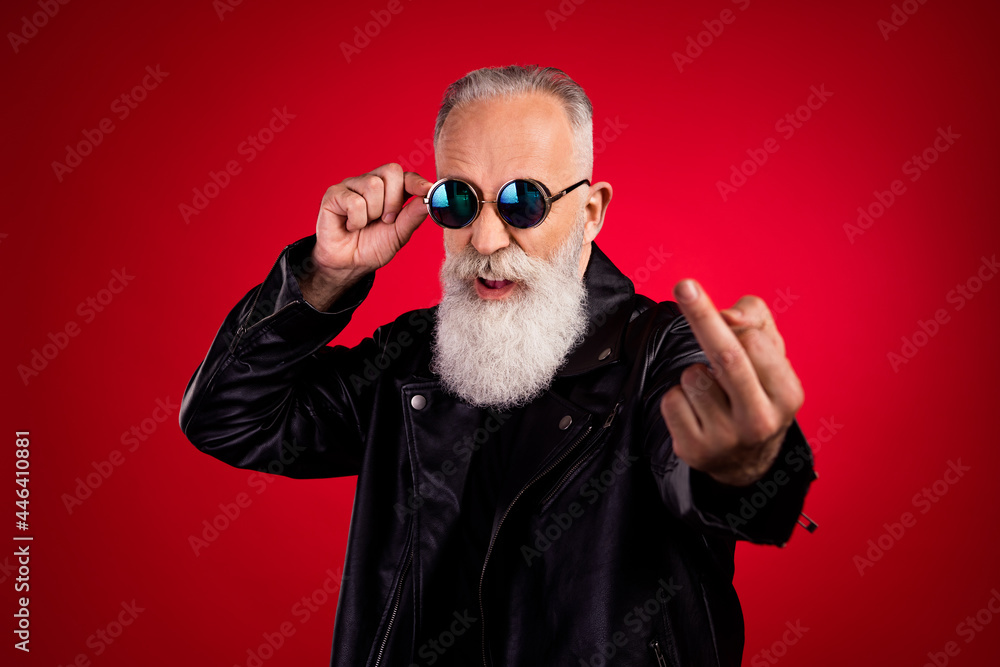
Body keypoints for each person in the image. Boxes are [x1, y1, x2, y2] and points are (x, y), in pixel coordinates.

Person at [179, 64, 817, 667]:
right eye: (458, 201)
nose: (485, 241)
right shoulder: (413, 357)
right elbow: (228, 419)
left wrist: (747, 464)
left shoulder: (658, 352)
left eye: (523, 202)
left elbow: (730, 479)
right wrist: (325, 276)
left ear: (590, 212)